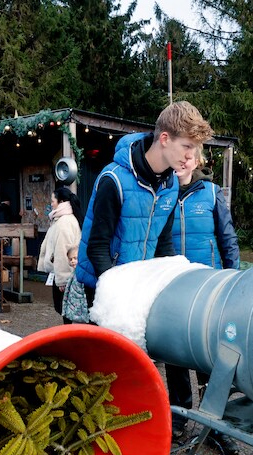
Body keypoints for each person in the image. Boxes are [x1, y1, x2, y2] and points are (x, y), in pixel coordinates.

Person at [75, 101, 214, 303]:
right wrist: (114, 293)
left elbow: (164, 244)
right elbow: (97, 246)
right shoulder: (113, 180)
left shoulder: (171, 185)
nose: (191, 156)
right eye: (186, 146)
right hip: (101, 288)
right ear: (165, 138)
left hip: (137, 286)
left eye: (194, 148)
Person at [166, 156, 240, 455]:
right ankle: (179, 416)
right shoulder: (163, 194)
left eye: (189, 157)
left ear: (196, 160)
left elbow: (227, 239)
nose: (182, 162)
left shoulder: (211, 193)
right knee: (175, 356)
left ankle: (214, 426)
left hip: (209, 289)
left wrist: (234, 282)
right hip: (173, 288)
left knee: (210, 359)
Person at [37, 186, 82, 320]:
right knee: (65, 310)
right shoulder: (60, 220)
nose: (51, 204)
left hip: (65, 275)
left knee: (66, 311)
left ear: (61, 201)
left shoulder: (64, 222)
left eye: (53, 201)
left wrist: (62, 279)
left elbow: (63, 250)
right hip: (63, 273)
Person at [60, 246, 89, 324]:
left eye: (75, 258)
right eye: (70, 259)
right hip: (75, 308)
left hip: (80, 309)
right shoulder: (74, 273)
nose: (72, 261)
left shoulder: (82, 274)